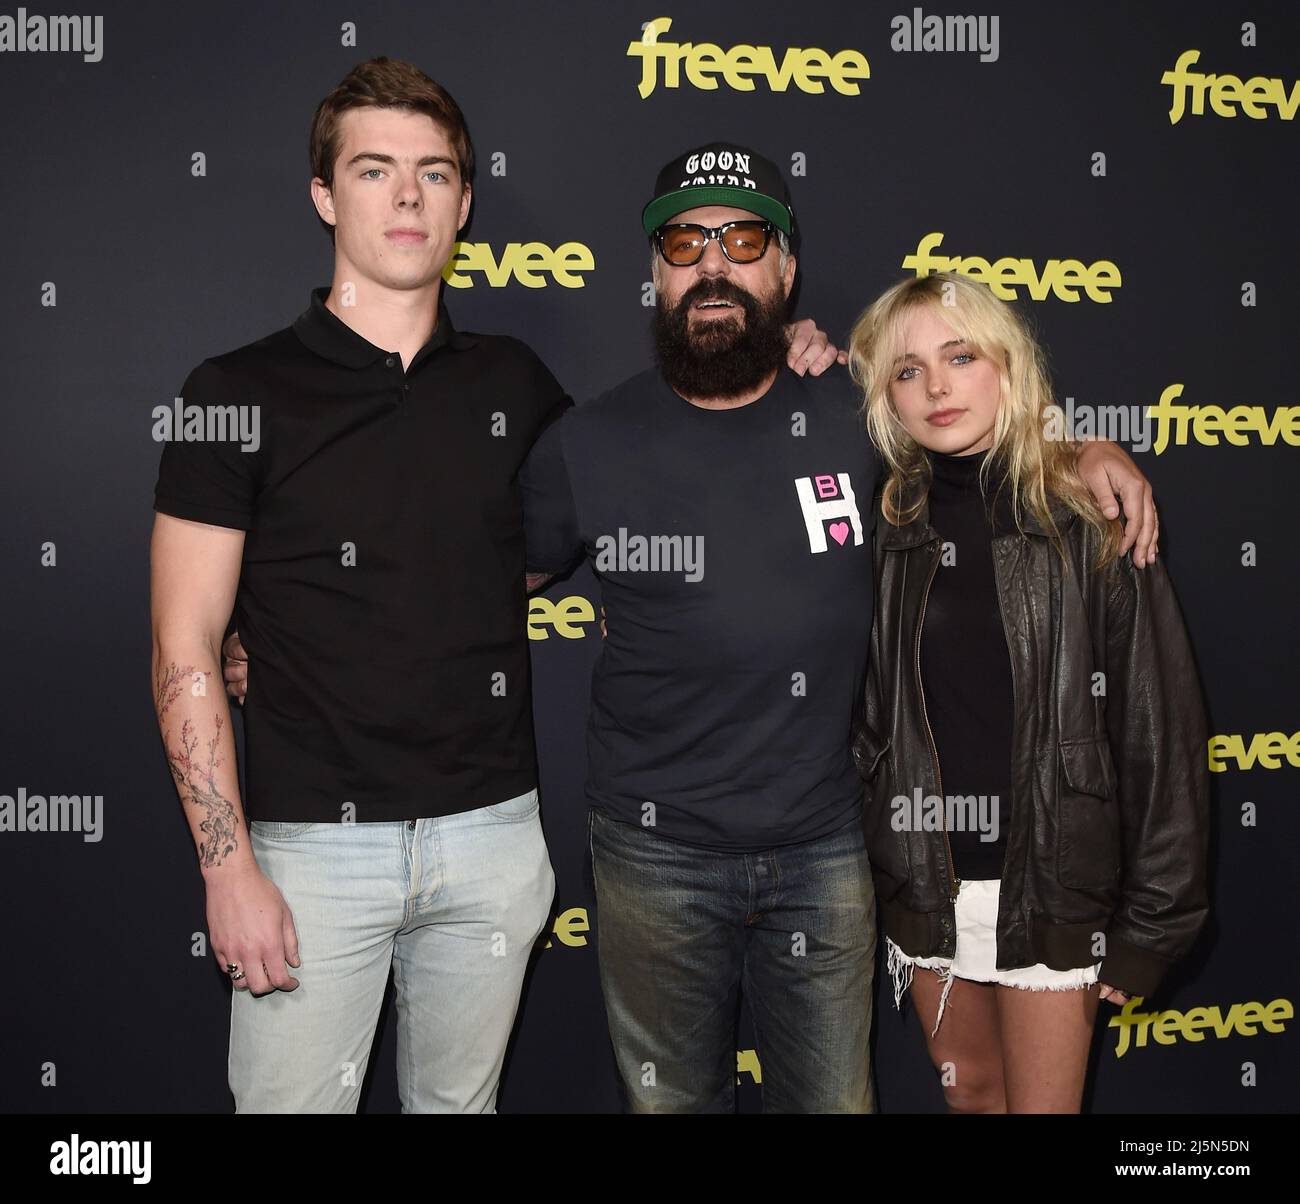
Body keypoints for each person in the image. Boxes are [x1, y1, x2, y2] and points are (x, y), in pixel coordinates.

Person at [152, 60, 836, 1115]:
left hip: (493, 838)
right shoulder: (236, 391)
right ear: (326, 196)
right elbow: (185, 645)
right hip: (309, 856)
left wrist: (798, 345)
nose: (407, 196)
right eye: (374, 170)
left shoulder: (515, 386)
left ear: (465, 203)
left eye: (433, 173)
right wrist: (226, 866)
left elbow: (579, 515)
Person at [514, 146, 1159, 1113]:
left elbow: (972, 429)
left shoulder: (857, 409)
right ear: (654, 273)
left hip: (829, 846)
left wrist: (1081, 448)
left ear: (785, 269)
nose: (714, 265)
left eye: (744, 239)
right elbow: (480, 592)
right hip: (656, 852)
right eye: (685, 242)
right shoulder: (585, 442)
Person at [846, 270, 1209, 1114]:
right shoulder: (885, 523)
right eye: (907, 370)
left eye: (960, 355)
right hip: (926, 886)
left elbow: (1161, 732)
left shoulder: (1088, 518)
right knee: (972, 1097)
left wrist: (1154, 925)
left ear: (1008, 367)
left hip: (1051, 884)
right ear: (885, 398)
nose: (936, 386)